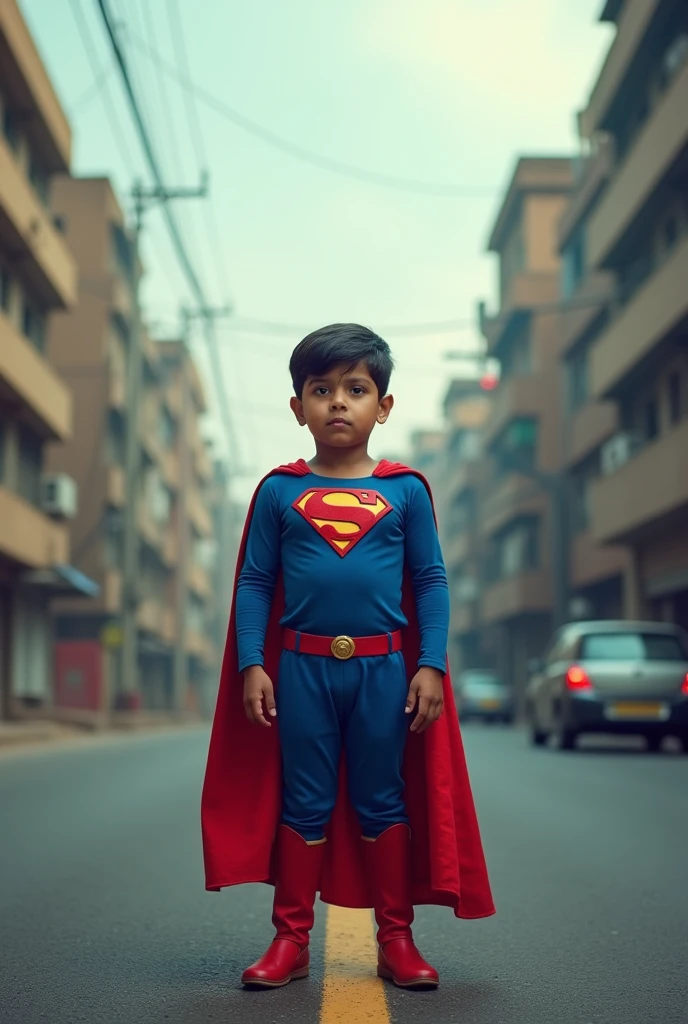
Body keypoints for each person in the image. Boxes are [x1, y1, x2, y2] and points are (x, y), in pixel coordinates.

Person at [201, 323, 495, 990]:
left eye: (356, 389)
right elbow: (255, 581)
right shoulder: (280, 490)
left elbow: (430, 581)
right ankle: (290, 940)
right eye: (321, 389)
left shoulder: (407, 491)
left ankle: (396, 939)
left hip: (384, 671)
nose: (338, 402)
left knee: (382, 800)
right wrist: (254, 662)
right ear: (298, 406)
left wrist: (432, 664)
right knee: (303, 803)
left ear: (383, 406)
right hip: (300, 670)